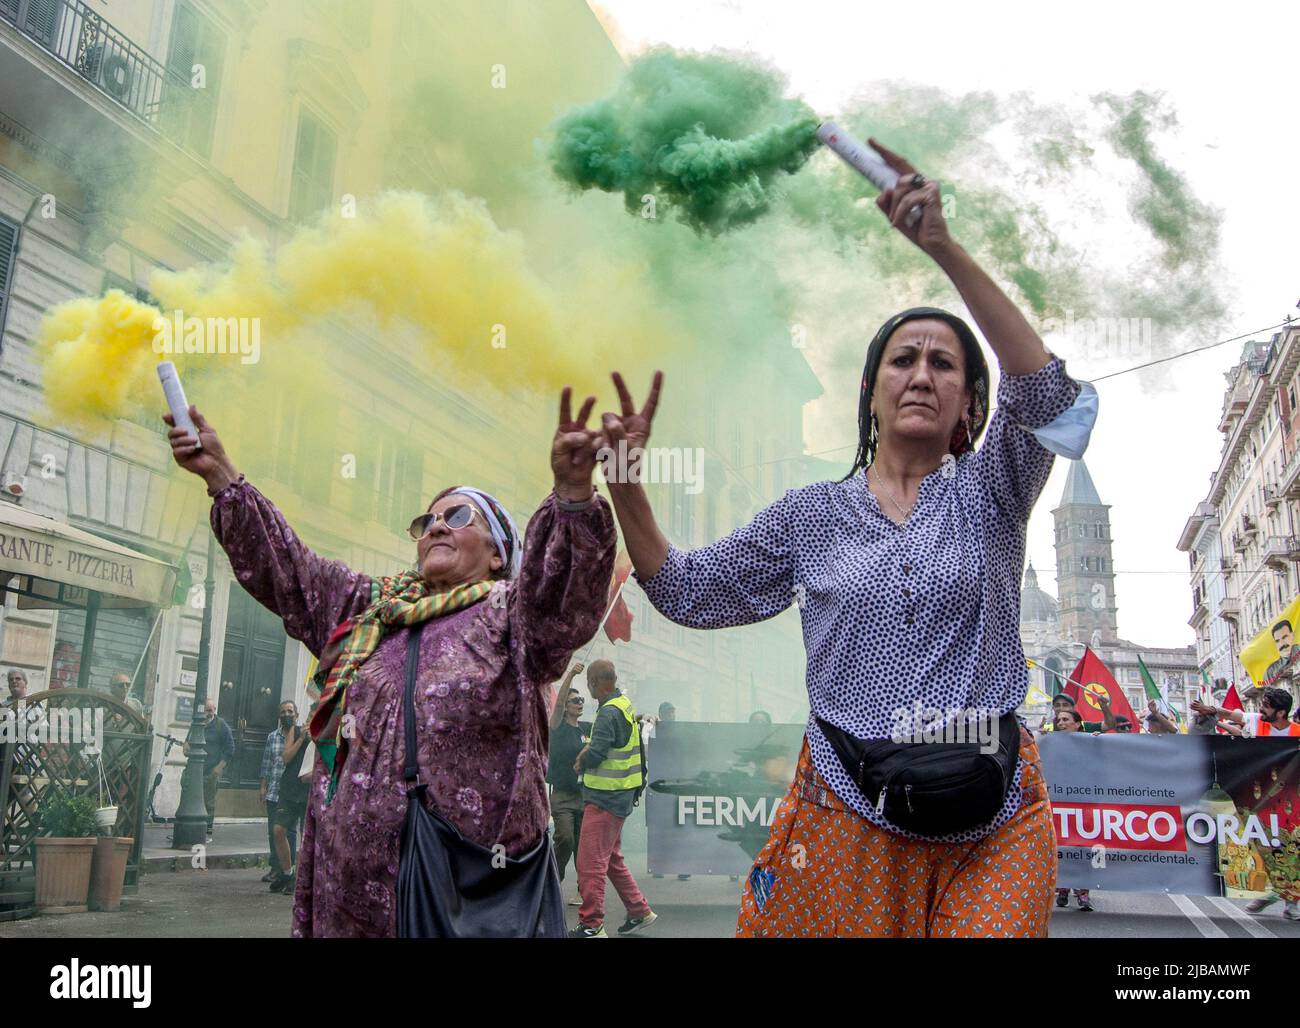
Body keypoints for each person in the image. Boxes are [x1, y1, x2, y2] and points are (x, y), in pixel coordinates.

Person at [598, 139, 1096, 937]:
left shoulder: (993, 489)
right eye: (904, 360)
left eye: (945, 364)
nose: (923, 374)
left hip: (992, 808)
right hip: (847, 803)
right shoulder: (808, 516)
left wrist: (942, 246)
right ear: (871, 393)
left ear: (971, 403)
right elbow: (688, 592)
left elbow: (1046, 395)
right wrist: (626, 482)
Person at [165, 387, 615, 938]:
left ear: (499, 553)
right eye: (427, 521)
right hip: (351, 901)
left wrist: (573, 498)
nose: (437, 526)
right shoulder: (373, 609)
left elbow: (565, 600)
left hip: (462, 898)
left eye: (458, 516)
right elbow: (289, 570)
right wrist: (222, 477)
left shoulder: (515, 618)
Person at [570, 659, 656, 938]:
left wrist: (582, 760)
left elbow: (597, 752)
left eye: (588, 684)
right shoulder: (623, 704)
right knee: (611, 859)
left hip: (604, 799)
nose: (588, 689)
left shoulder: (608, 712)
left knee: (590, 863)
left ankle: (591, 925)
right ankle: (639, 910)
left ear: (594, 682)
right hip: (620, 797)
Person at [547, 662, 589, 898]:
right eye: (575, 700)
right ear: (566, 707)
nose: (579, 703)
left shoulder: (584, 729)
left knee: (582, 847)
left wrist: (640, 717)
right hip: (562, 796)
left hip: (583, 796)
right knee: (565, 839)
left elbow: (608, 727)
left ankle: (585, 892)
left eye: (581, 700)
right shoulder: (557, 727)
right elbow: (560, 702)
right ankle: (552, 881)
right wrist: (571, 674)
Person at [1048, 710, 1094, 911]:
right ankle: (1063, 889)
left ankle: (1083, 893)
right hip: (1060, 803)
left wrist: (1099, 742)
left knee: (1083, 847)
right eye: (1059, 720)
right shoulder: (1050, 743)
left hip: (1083, 803)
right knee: (1062, 847)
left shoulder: (1089, 743)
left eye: (1066, 719)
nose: (1061, 723)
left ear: (1077, 724)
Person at [259, 701, 300, 883]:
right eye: (283, 712)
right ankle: (275, 868)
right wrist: (263, 786)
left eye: (290, 711)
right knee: (273, 832)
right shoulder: (272, 737)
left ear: (296, 714)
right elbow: (267, 763)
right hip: (274, 791)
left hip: (292, 793)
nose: (286, 715)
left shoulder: (302, 735)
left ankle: (288, 870)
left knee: (289, 832)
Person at [271, 711, 311, 895]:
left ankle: (299, 878)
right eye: (309, 716)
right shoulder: (295, 731)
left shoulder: (324, 735)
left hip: (308, 791)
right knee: (278, 830)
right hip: (289, 789)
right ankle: (287, 872)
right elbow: (286, 758)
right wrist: (301, 738)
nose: (310, 720)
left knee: (305, 837)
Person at [183, 697, 235, 838]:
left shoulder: (221, 725)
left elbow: (230, 749)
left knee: (208, 802)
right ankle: (190, 829)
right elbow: (187, 742)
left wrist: (219, 767)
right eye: (206, 710)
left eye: (211, 710)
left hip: (211, 771)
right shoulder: (196, 724)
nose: (209, 714)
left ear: (214, 710)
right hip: (193, 770)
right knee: (188, 797)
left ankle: (206, 832)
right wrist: (186, 746)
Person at [1194, 687, 1300, 739]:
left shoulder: (1298, 732)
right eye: (1261, 704)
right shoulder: (1257, 720)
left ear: (1280, 713)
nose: (1261, 709)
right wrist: (1209, 709)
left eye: (1266, 706)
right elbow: (1229, 714)